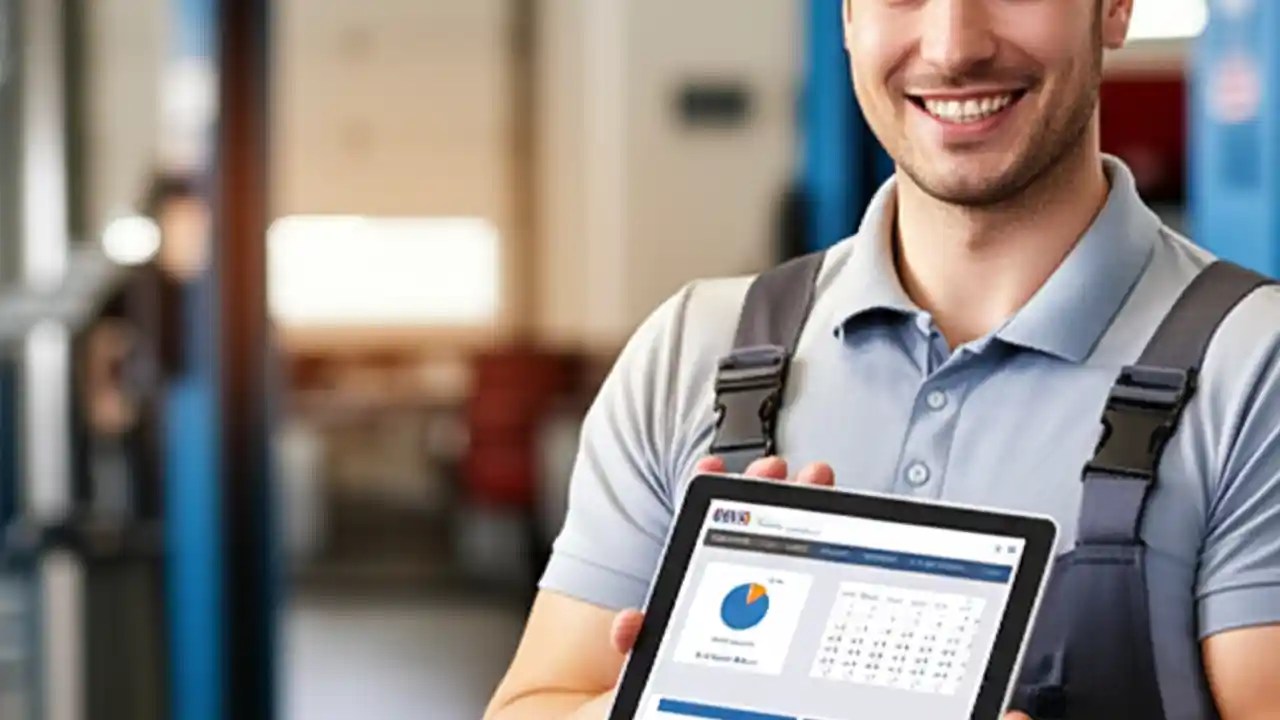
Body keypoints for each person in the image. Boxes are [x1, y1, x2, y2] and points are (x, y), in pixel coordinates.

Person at [486, 1, 1280, 718]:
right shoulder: (697, 350)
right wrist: (663, 701)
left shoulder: (1254, 372)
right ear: (846, 17)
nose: (953, 44)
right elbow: (533, 706)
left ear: (1113, 8)